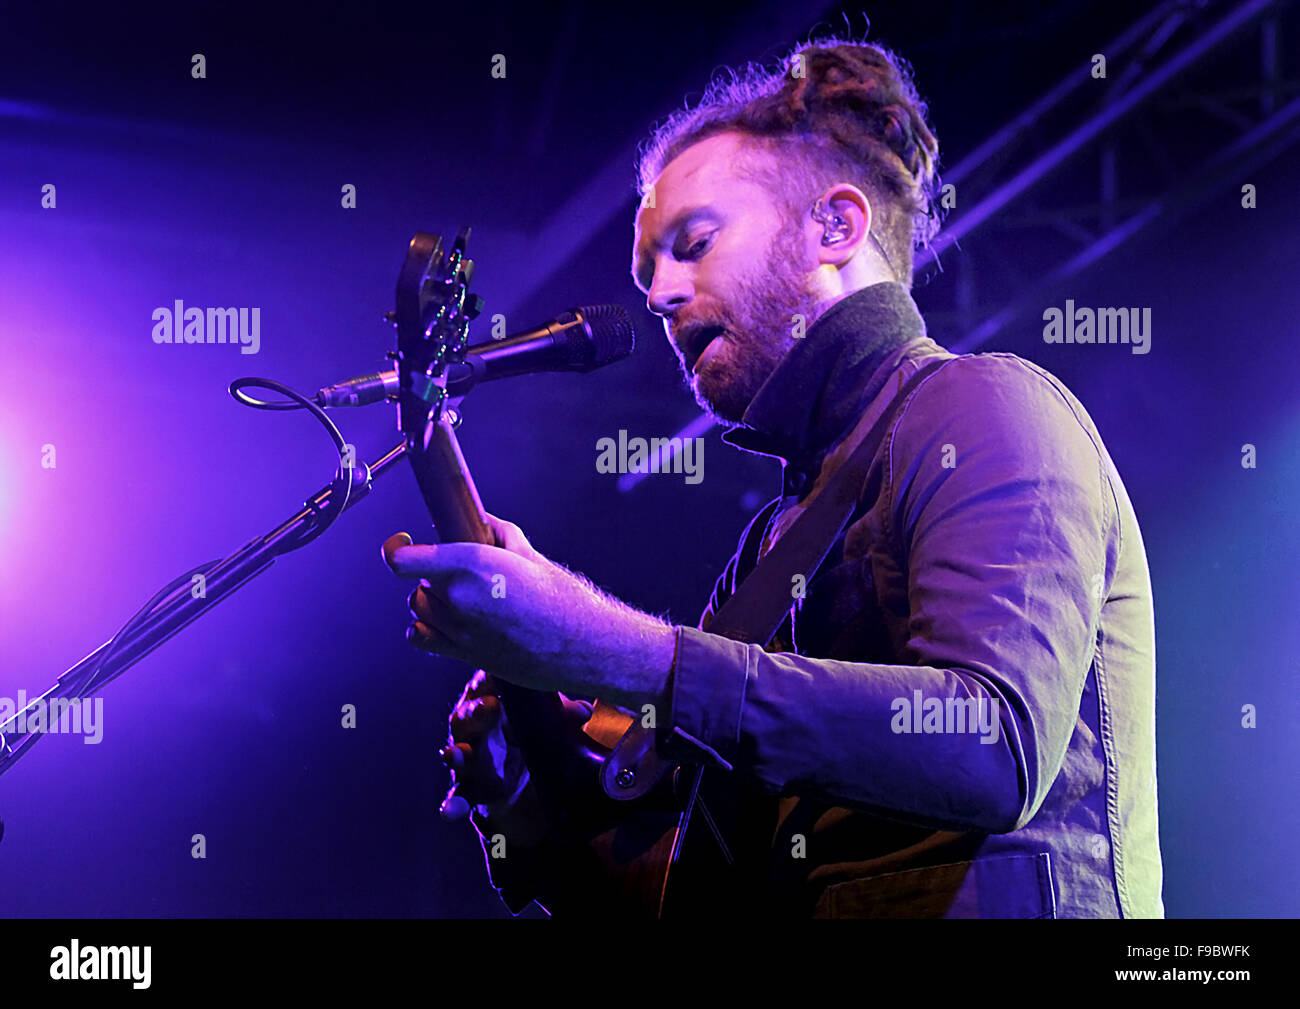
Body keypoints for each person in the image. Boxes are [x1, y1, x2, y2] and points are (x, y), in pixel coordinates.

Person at [381, 37, 1163, 918]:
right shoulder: (773, 545)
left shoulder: (983, 407)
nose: (661, 292)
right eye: (647, 272)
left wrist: (607, 645)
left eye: (694, 242)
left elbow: (989, 745)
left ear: (835, 227)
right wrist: (519, 799)